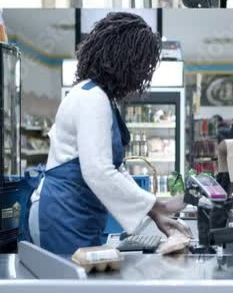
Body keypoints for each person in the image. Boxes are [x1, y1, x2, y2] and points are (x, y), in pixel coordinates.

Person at [22, 13, 190, 255]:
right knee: (70, 276)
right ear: (125, 61)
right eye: (142, 66)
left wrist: (154, 210)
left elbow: (114, 168)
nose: (142, 77)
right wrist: (155, 206)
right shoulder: (92, 98)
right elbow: (98, 172)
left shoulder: (98, 96)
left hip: (74, 211)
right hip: (62, 212)